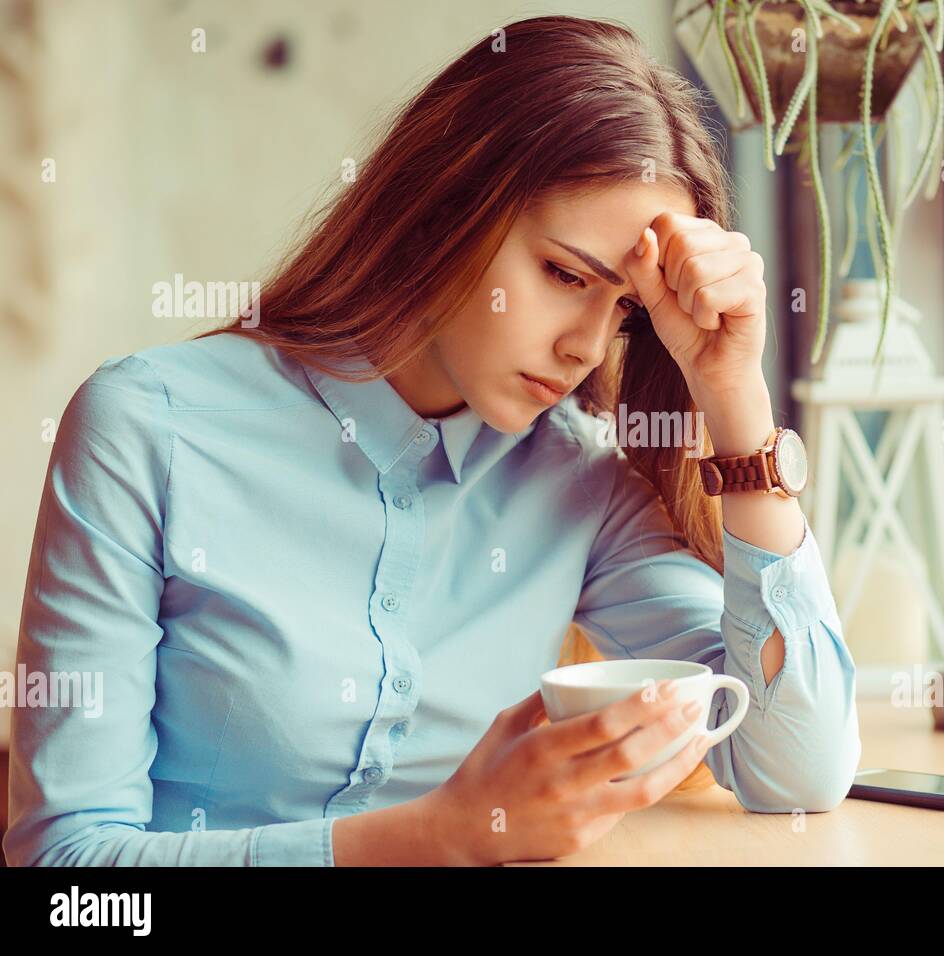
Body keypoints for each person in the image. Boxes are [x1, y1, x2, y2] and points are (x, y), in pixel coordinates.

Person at [3, 14, 859, 867]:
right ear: (447, 203)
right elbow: (67, 876)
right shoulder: (145, 428)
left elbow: (794, 768)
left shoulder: (580, 484)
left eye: (626, 310)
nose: (588, 348)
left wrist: (735, 394)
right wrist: (438, 837)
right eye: (564, 275)